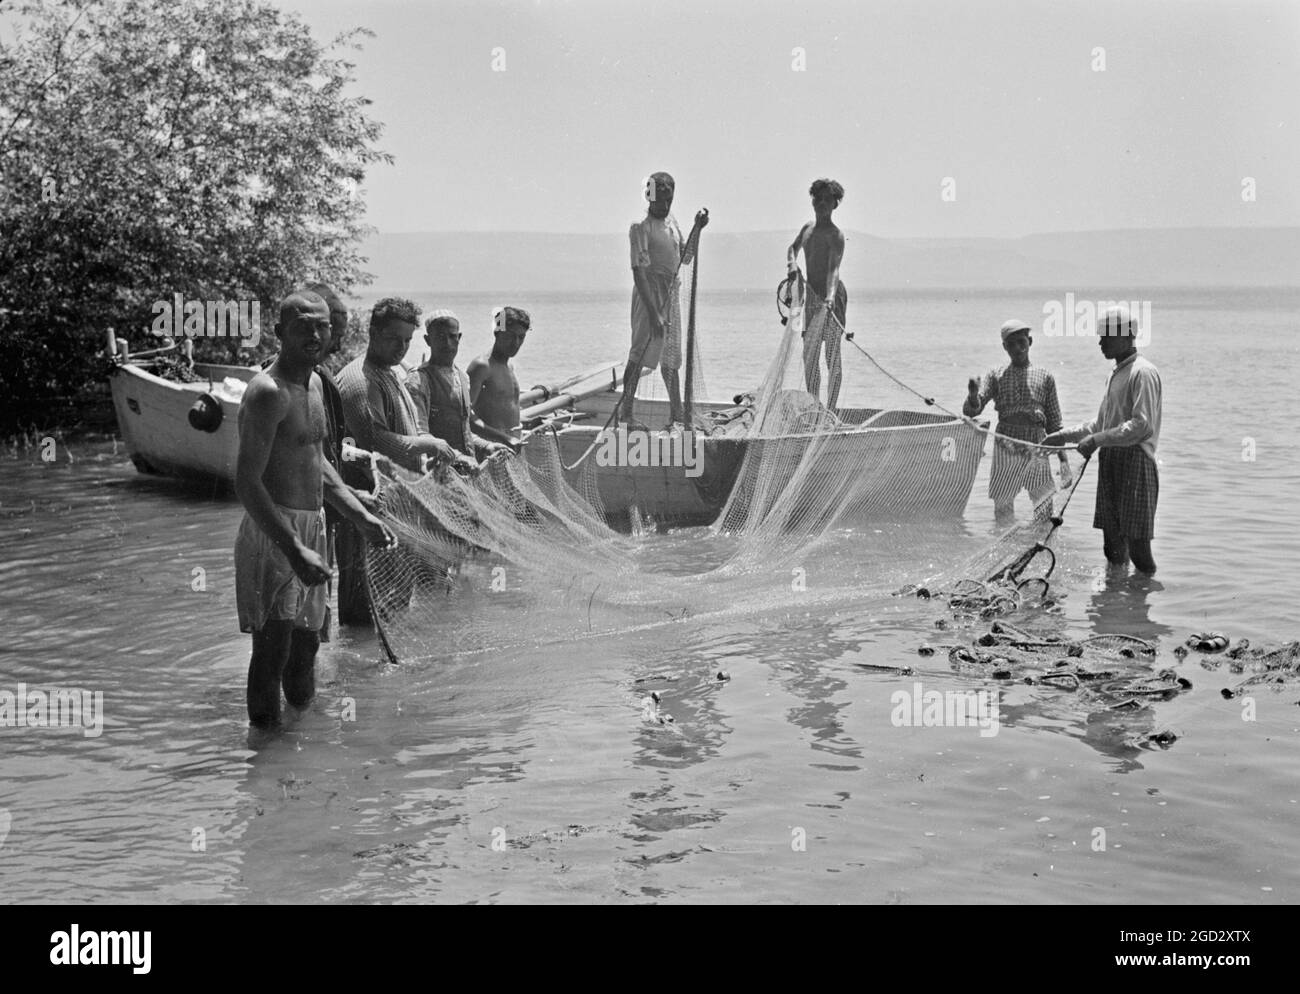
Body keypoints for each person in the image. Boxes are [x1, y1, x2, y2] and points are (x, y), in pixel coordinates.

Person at [234, 289, 395, 729]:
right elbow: (246, 482)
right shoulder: (267, 392)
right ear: (279, 331)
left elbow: (317, 461)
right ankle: (265, 761)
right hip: (275, 531)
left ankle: (303, 743)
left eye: (322, 325)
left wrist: (359, 514)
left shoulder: (317, 383)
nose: (315, 333)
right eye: (303, 324)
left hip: (315, 527)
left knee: (307, 649)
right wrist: (293, 549)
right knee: (272, 652)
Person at [336, 298, 466, 623]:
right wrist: (428, 443)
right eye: (395, 338)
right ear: (373, 332)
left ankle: (378, 668)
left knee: (395, 603)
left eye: (408, 340)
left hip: (396, 507)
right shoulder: (359, 381)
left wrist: (435, 453)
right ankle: (357, 668)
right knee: (364, 612)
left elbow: (408, 428)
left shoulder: (391, 373)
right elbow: (376, 440)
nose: (402, 347)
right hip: (367, 509)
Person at [1044, 305, 1162, 575]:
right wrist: (1061, 436)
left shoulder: (1142, 372)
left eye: (1106, 336)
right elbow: (1101, 424)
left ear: (1126, 336)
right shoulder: (1115, 373)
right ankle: (1116, 605)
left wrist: (1097, 439)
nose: (1100, 342)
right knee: (1113, 548)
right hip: (1110, 461)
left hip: (1135, 463)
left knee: (1139, 549)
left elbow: (1142, 426)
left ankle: (1142, 607)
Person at [618, 172, 709, 429]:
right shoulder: (640, 227)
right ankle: (626, 414)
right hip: (649, 293)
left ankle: (677, 414)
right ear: (649, 196)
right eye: (660, 199)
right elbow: (638, 270)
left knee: (672, 358)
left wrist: (697, 229)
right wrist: (653, 312)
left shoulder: (672, 224)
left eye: (669, 199)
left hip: (671, 293)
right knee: (639, 353)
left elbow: (686, 257)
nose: (665, 205)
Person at [963, 319, 1072, 521]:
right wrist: (972, 394)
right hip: (1006, 442)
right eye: (1011, 344)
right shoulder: (996, 375)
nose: (1017, 348)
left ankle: (1039, 545)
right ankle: (1004, 543)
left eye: (1021, 342)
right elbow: (972, 411)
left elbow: (1055, 423)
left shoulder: (1045, 376)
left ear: (1030, 341)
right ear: (1004, 347)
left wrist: (1064, 461)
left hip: (1037, 443)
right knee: (1003, 505)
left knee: (1044, 505)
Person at [408, 309, 509, 462]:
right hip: (436, 472)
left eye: (452, 336)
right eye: (440, 337)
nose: (447, 343)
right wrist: (458, 457)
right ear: (428, 340)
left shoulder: (463, 378)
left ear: (459, 338)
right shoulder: (418, 380)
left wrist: (487, 446)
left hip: (468, 468)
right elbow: (420, 434)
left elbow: (465, 431)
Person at [787, 178, 847, 411]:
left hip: (832, 299)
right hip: (811, 299)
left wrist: (830, 299)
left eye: (826, 200)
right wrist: (792, 265)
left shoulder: (836, 235)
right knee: (809, 357)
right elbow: (792, 249)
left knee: (832, 356)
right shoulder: (807, 229)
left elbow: (834, 269)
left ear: (835, 204)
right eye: (817, 198)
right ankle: (815, 407)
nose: (821, 203)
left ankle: (831, 410)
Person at [468, 306, 531, 445]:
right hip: (492, 447)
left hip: (514, 443)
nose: (516, 343)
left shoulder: (510, 366)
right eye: (510, 336)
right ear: (497, 333)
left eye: (521, 337)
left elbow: (502, 406)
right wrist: (505, 439)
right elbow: (466, 416)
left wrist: (525, 421)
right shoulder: (482, 366)